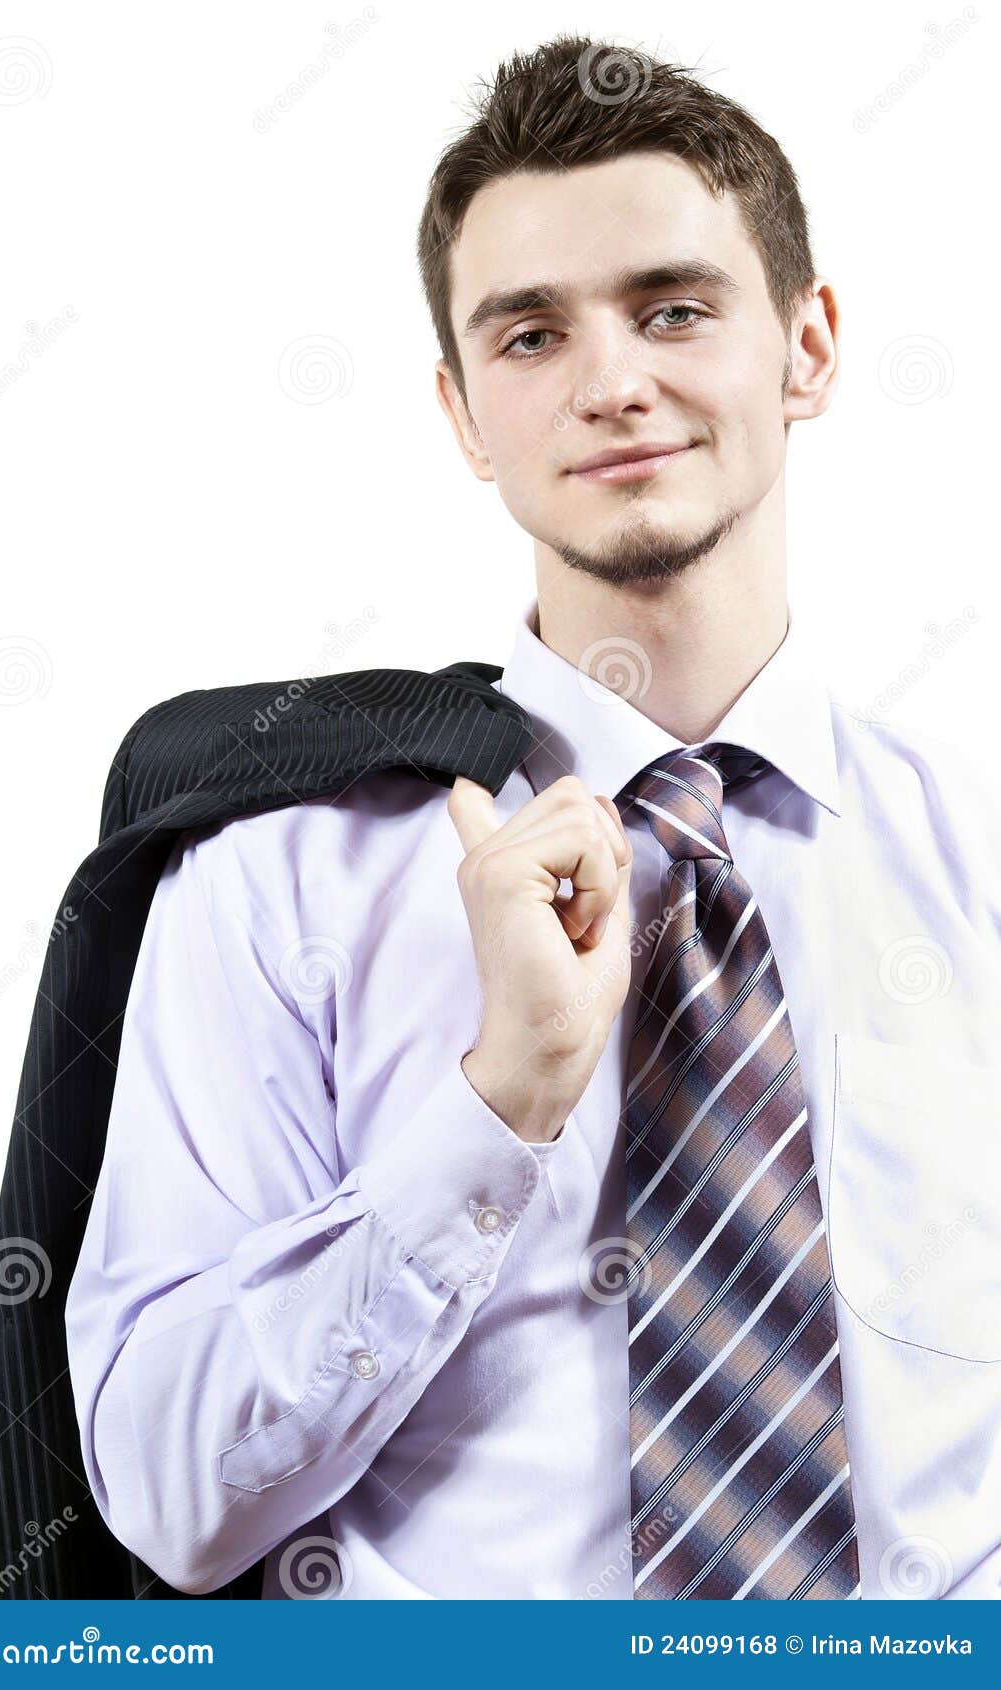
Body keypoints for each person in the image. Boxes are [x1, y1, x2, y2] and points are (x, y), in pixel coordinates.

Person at [64, 35, 1001, 1601]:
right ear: (462, 411)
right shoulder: (270, 878)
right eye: (529, 335)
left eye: (677, 308)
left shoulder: (974, 861)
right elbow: (164, 1493)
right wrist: (499, 1101)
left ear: (811, 346)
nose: (610, 380)